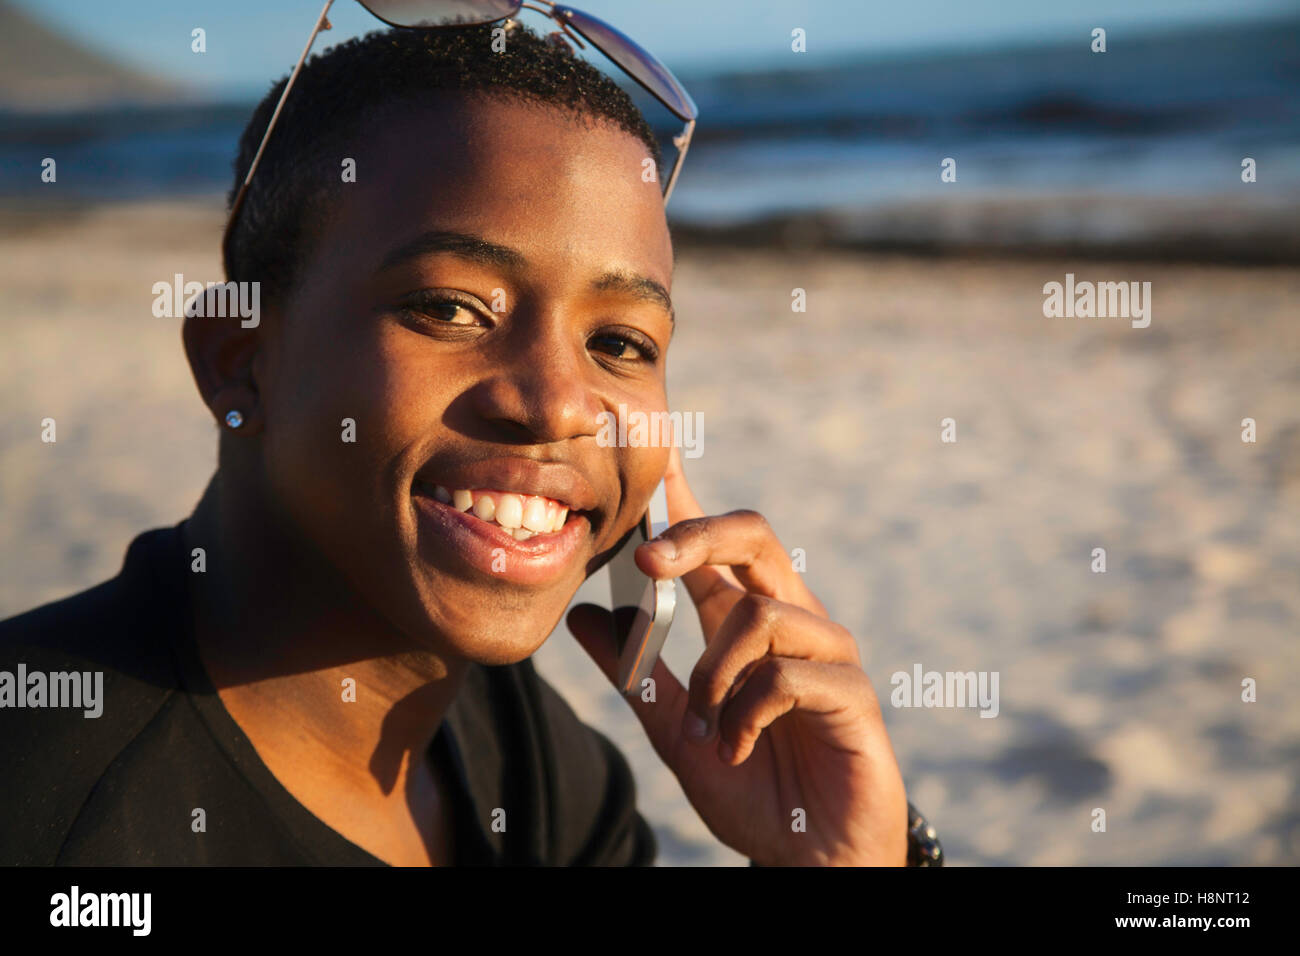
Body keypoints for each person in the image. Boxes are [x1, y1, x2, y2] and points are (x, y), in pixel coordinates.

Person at [0, 18, 924, 866]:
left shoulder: (539, 769)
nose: (559, 403)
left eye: (619, 344)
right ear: (242, 365)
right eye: (449, 307)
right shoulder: (55, 808)